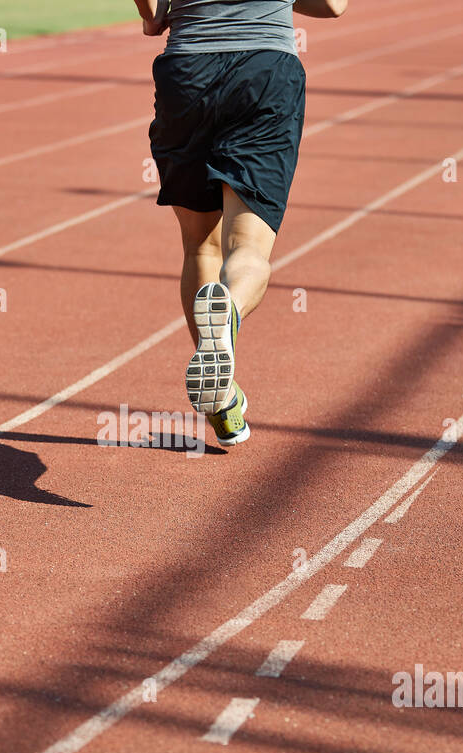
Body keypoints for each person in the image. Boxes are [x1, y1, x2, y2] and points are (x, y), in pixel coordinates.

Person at [136, 0, 348, 446]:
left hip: (187, 71)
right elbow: (333, 5)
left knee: (200, 246)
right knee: (247, 247)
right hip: (264, 71)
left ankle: (224, 400)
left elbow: (154, 15)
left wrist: (151, 17)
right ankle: (227, 317)